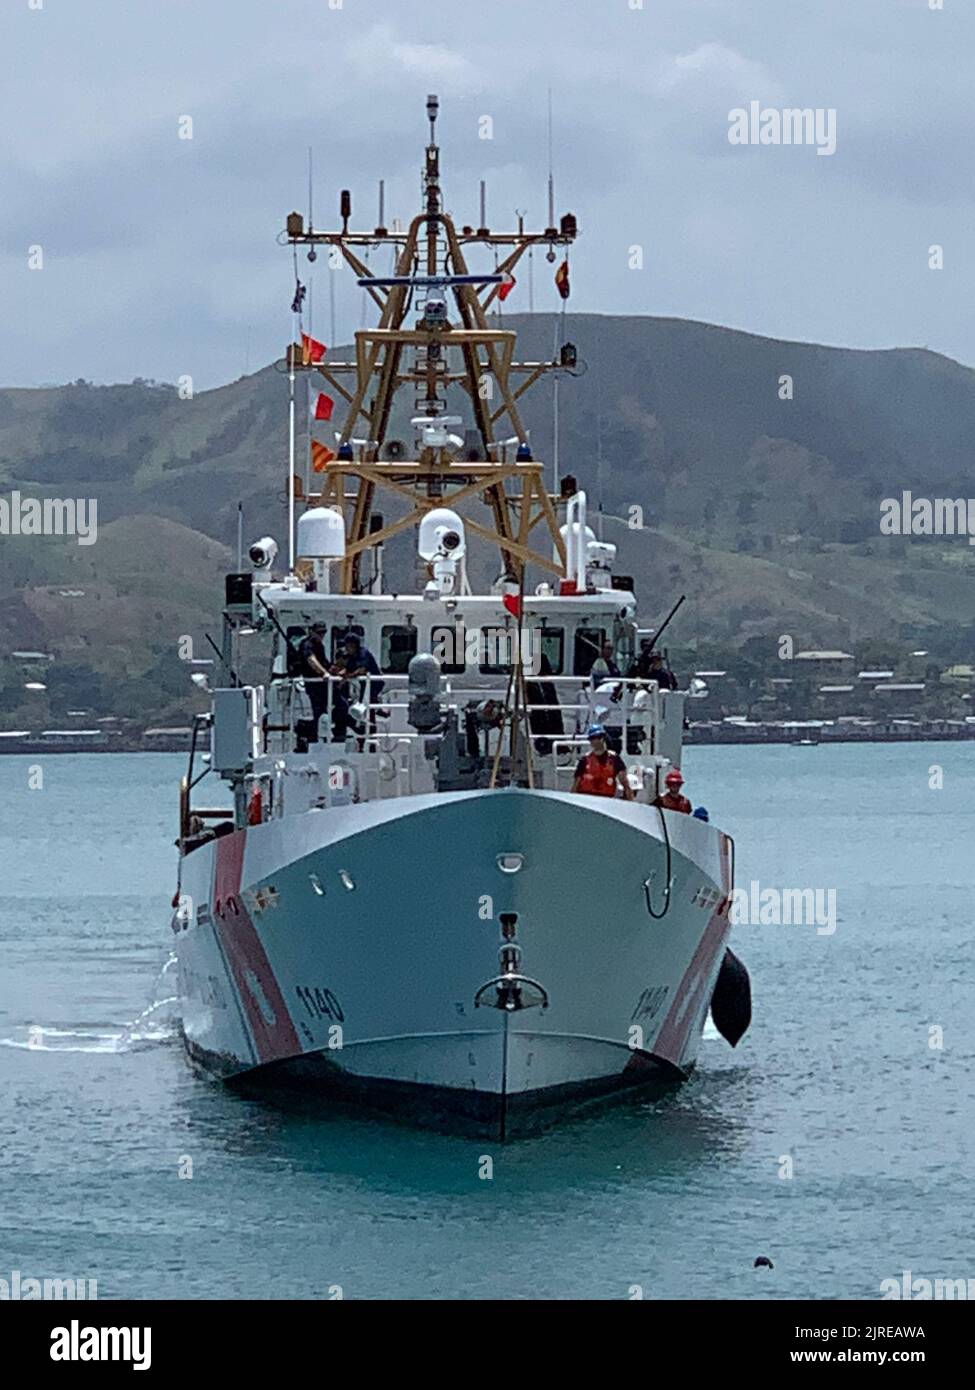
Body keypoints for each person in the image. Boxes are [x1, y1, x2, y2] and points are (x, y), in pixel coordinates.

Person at [571, 724, 635, 800]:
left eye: (595, 738)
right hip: (587, 800)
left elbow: (625, 784)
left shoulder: (614, 759)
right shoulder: (585, 760)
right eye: (591, 738)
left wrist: (631, 804)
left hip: (606, 801)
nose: (592, 741)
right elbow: (576, 785)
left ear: (602, 738)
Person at [296, 621, 332, 745]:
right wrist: (324, 673)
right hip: (314, 684)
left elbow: (325, 663)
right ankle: (317, 737)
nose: (322, 635)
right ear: (312, 632)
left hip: (322, 685)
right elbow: (311, 660)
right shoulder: (307, 645)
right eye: (319, 632)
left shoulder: (320, 646)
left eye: (324, 632)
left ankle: (331, 732)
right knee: (318, 709)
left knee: (328, 708)